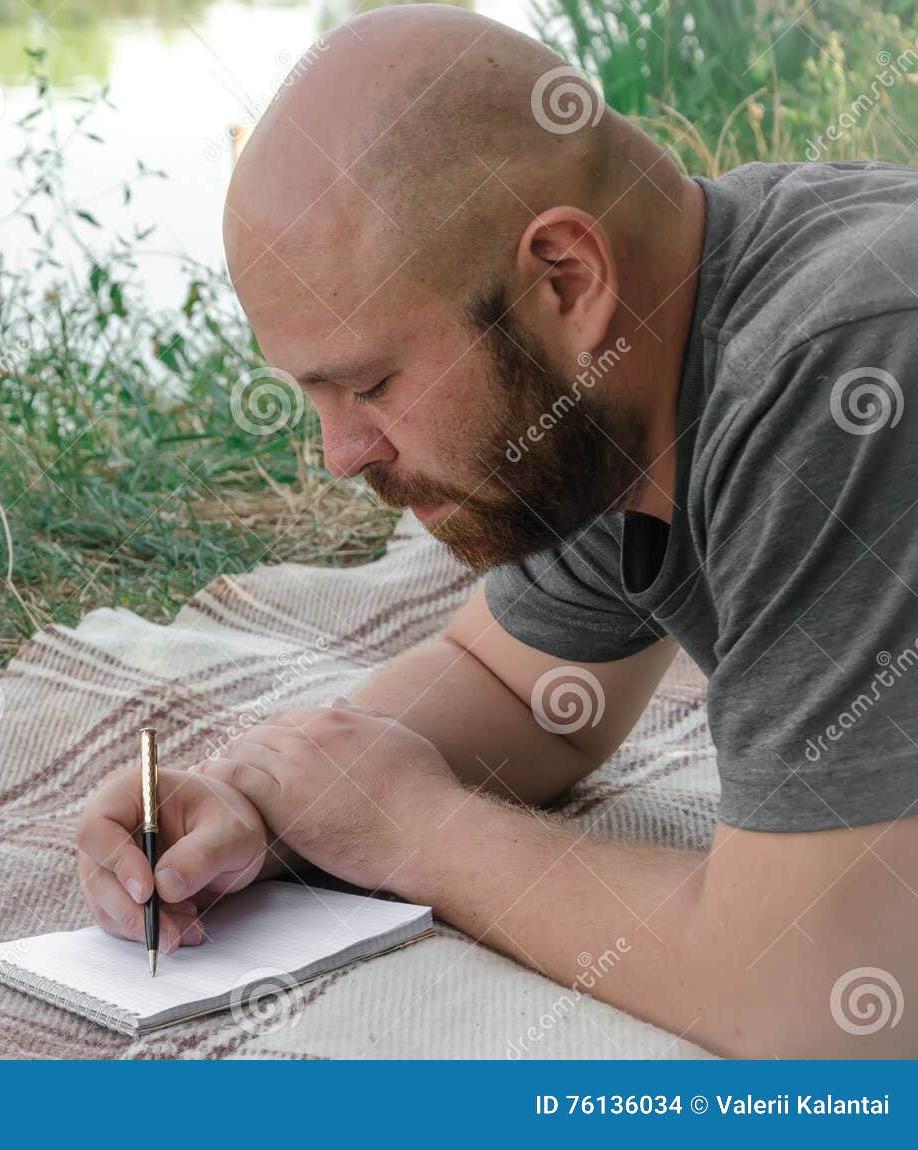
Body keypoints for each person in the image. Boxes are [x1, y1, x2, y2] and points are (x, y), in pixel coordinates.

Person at [75, 4, 918, 1057]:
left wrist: (413, 828)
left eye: (372, 383)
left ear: (566, 280)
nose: (342, 454)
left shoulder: (850, 375)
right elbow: (528, 693)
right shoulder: (609, 393)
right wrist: (264, 800)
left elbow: (823, 1000)